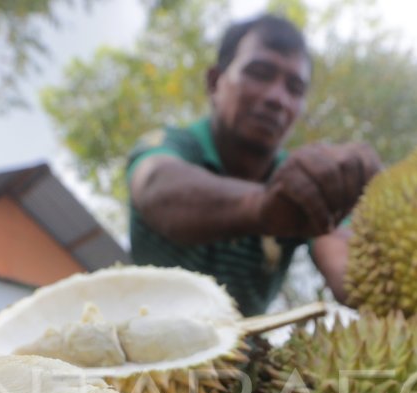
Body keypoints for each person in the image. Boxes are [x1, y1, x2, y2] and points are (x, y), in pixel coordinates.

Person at [126, 13, 382, 317]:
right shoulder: (172, 145)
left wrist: (389, 264)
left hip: (240, 347)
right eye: (260, 73)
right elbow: (156, 186)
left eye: (294, 88)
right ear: (215, 82)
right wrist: (262, 206)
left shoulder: (307, 185)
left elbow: (347, 266)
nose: (277, 98)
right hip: (136, 337)